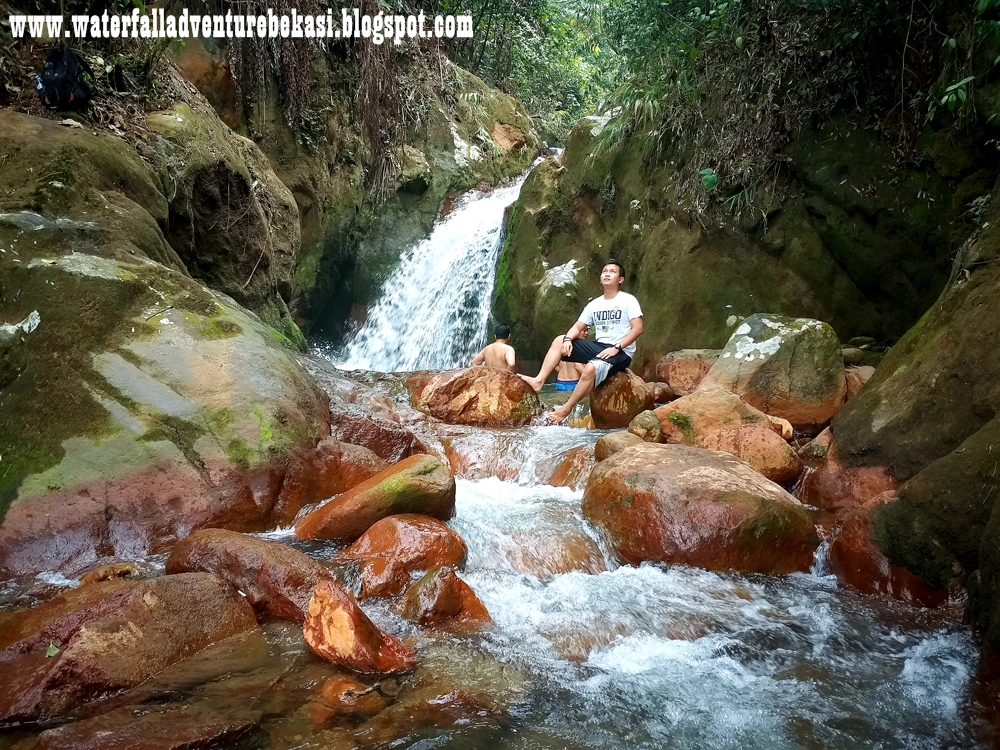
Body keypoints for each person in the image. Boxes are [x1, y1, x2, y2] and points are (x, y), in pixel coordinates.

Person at [519, 260, 643, 424]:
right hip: (600, 346)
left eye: (612, 272)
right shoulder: (594, 304)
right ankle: (539, 380)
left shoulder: (628, 300)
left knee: (591, 367)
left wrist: (617, 347)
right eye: (604, 271)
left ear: (620, 279)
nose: (606, 274)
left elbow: (638, 328)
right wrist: (569, 340)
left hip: (621, 352)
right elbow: (577, 326)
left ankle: (566, 409)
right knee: (559, 340)